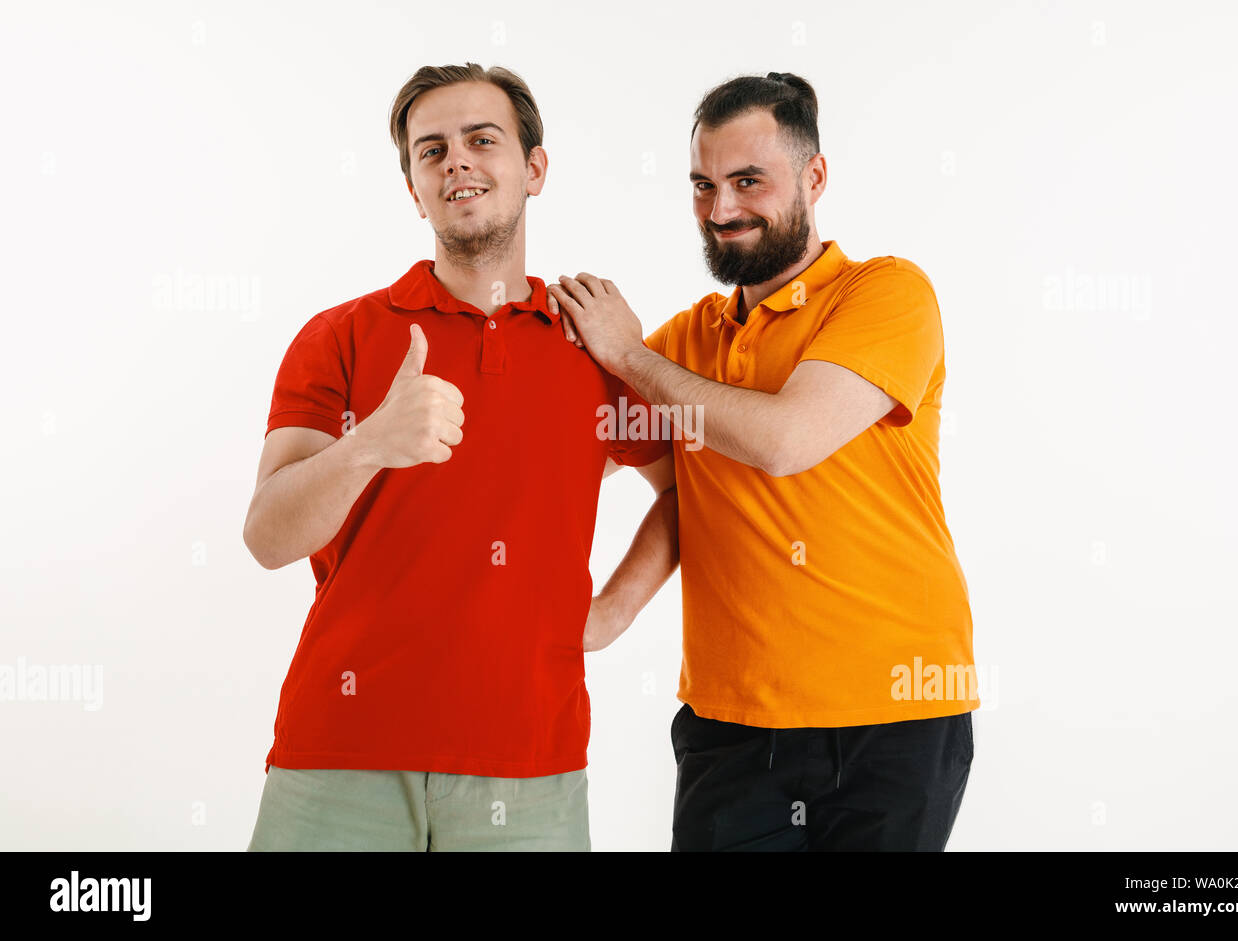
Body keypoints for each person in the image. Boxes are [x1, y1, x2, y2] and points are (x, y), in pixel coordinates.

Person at [242, 63, 676, 852]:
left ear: (534, 168)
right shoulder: (338, 335)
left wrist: (612, 613)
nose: (457, 163)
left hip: (530, 766)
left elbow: (688, 488)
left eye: (483, 140)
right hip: (341, 752)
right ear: (413, 186)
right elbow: (269, 535)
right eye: (430, 150)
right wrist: (371, 441)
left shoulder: (598, 347)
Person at [547, 71, 979, 851]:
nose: (721, 210)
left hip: (897, 720)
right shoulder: (685, 342)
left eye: (748, 181)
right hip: (732, 726)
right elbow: (603, 471)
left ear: (814, 177)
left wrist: (626, 355)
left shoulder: (886, 294)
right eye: (703, 185)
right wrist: (603, 612)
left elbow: (785, 440)